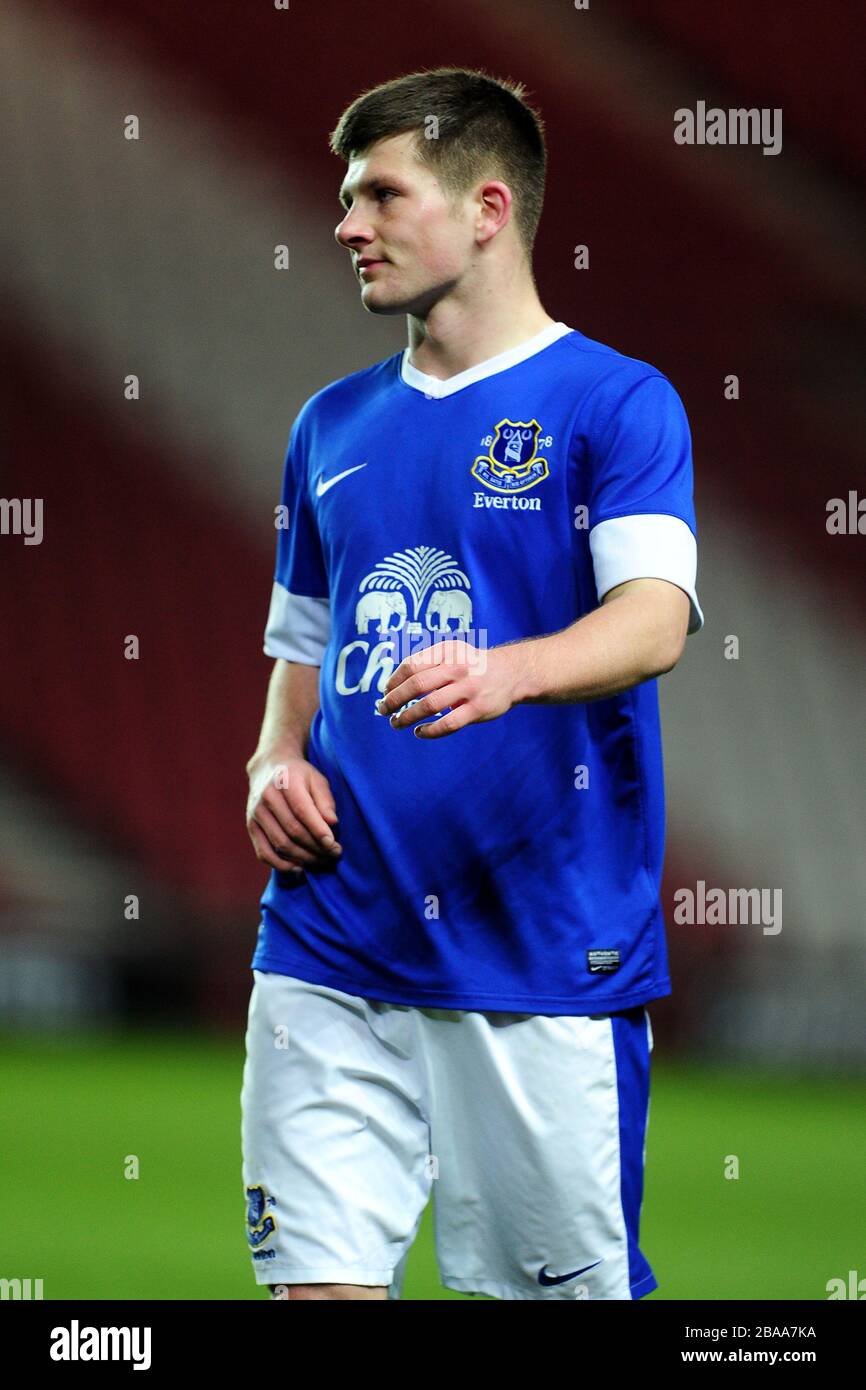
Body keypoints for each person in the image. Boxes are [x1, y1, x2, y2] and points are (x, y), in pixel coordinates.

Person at [241, 65, 704, 1301]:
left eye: (380, 194)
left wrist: (507, 672)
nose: (346, 224)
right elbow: (301, 639)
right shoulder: (328, 424)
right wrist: (271, 761)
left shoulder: (616, 402)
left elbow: (653, 619)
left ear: (488, 208)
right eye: (345, 197)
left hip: (538, 952)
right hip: (328, 935)